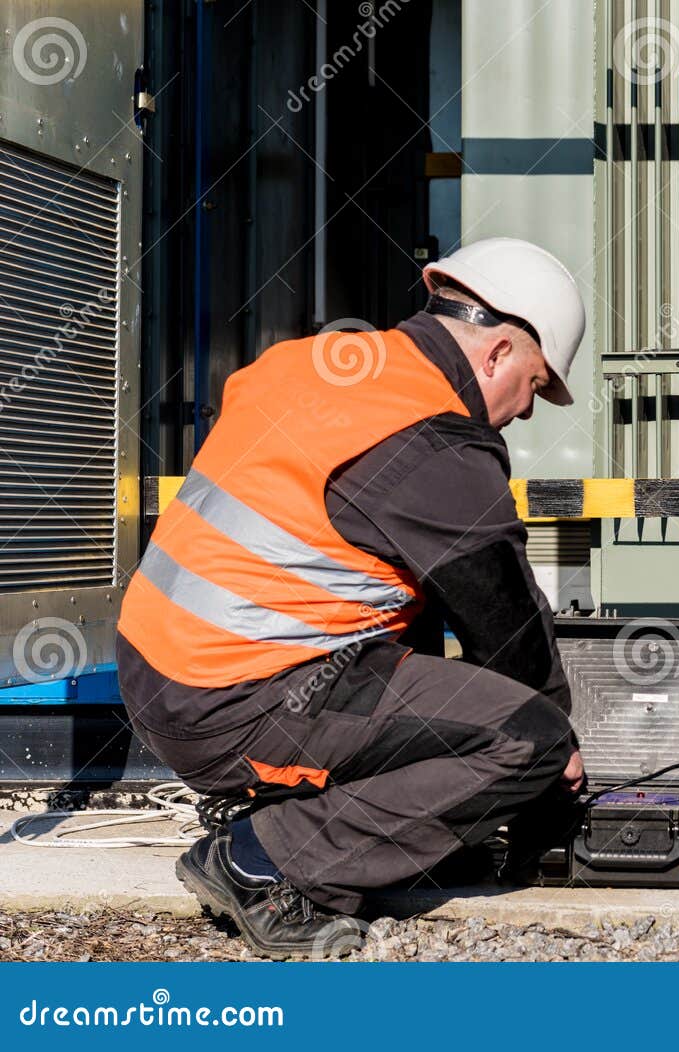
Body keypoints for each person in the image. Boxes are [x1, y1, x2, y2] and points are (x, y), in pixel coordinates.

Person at [116, 238, 589, 956]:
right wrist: (560, 750)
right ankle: (262, 863)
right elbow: (507, 627)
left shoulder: (315, 363)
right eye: (532, 385)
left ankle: (350, 837)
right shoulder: (432, 439)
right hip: (235, 700)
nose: (524, 412)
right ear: (494, 355)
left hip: (159, 671)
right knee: (528, 737)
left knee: (420, 644)